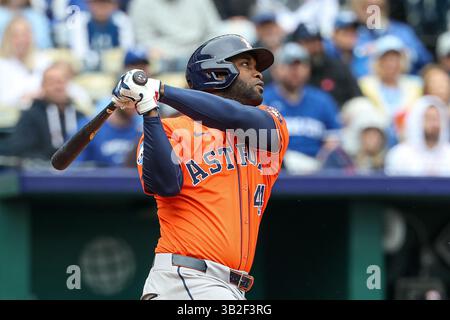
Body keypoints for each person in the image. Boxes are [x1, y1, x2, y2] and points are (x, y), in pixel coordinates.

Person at [111, 34, 288, 300]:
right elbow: (164, 185)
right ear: (216, 72)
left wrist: (160, 89)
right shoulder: (172, 130)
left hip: (229, 287)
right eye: (246, 64)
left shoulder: (267, 124)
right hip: (186, 278)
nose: (258, 73)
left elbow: (234, 116)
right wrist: (149, 110)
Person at [263, 42, 341, 174]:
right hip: (277, 168)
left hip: (317, 169)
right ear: (275, 70)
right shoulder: (263, 100)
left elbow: (333, 141)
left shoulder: (322, 100)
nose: (296, 70)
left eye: (301, 65)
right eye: (289, 65)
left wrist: (322, 161)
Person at [0, 63, 87, 160]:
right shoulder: (30, 117)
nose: (58, 87)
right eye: (52, 82)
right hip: (43, 172)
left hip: (80, 172)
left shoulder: (80, 117)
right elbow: (21, 151)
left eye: (62, 82)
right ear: (42, 87)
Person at [358, 36, 423, 145]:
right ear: (378, 61)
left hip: (408, 142)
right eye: (386, 59)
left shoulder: (415, 85)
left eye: (396, 59)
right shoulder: (365, 85)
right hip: (376, 142)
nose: (391, 64)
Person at [129, 0, 222, 72]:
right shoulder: (141, 4)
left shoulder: (201, 2)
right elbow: (144, 40)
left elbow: (213, 31)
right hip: (165, 59)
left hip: (199, 53)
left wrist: (203, 52)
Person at [351, 0, 432, 77]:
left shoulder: (402, 31)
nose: (373, 12)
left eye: (377, 7)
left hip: (404, 85)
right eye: (367, 7)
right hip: (364, 85)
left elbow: (425, 59)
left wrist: (407, 53)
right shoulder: (353, 33)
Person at [291, 22, 361, 108]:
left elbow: (357, 97)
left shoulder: (338, 67)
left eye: (318, 41)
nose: (315, 47)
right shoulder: (287, 70)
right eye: (309, 42)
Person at [385, 96, 450, 176]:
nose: (434, 124)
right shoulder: (399, 155)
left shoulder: (448, 154)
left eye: (436, 119)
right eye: (429, 119)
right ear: (416, 121)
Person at [69, 0, 134, 71]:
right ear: (89, 4)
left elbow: (127, 49)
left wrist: (112, 60)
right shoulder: (80, 20)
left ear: (114, 5)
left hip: (116, 68)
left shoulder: (122, 20)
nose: (101, 7)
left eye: (106, 3)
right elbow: (79, 52)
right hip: (87, 67)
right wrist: (99, 59)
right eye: (97, 3)